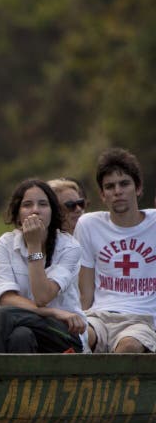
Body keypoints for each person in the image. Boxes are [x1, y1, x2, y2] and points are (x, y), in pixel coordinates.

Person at [0, 179, 86, 354]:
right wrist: (53, 312)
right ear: (17, 214)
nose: (35, 210)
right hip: (27, 325)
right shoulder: (5, 244)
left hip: (65, 333)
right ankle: (11, 381)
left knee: (2, 315)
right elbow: (7, 298)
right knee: (20, 336)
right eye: (27, 205)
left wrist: (34, 246)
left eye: (43, 204)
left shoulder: (69, 247)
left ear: (53, 212)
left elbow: (42, 296)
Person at [74, 148, 156, 353]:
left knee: (127, 346)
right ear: (102, 195)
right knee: (78, 337)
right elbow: (85, 292)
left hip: (142, 319)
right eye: (110, 186)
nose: (117, 191)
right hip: (100, 316)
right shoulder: (88, 224)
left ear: (138, 188)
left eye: (124, 184)